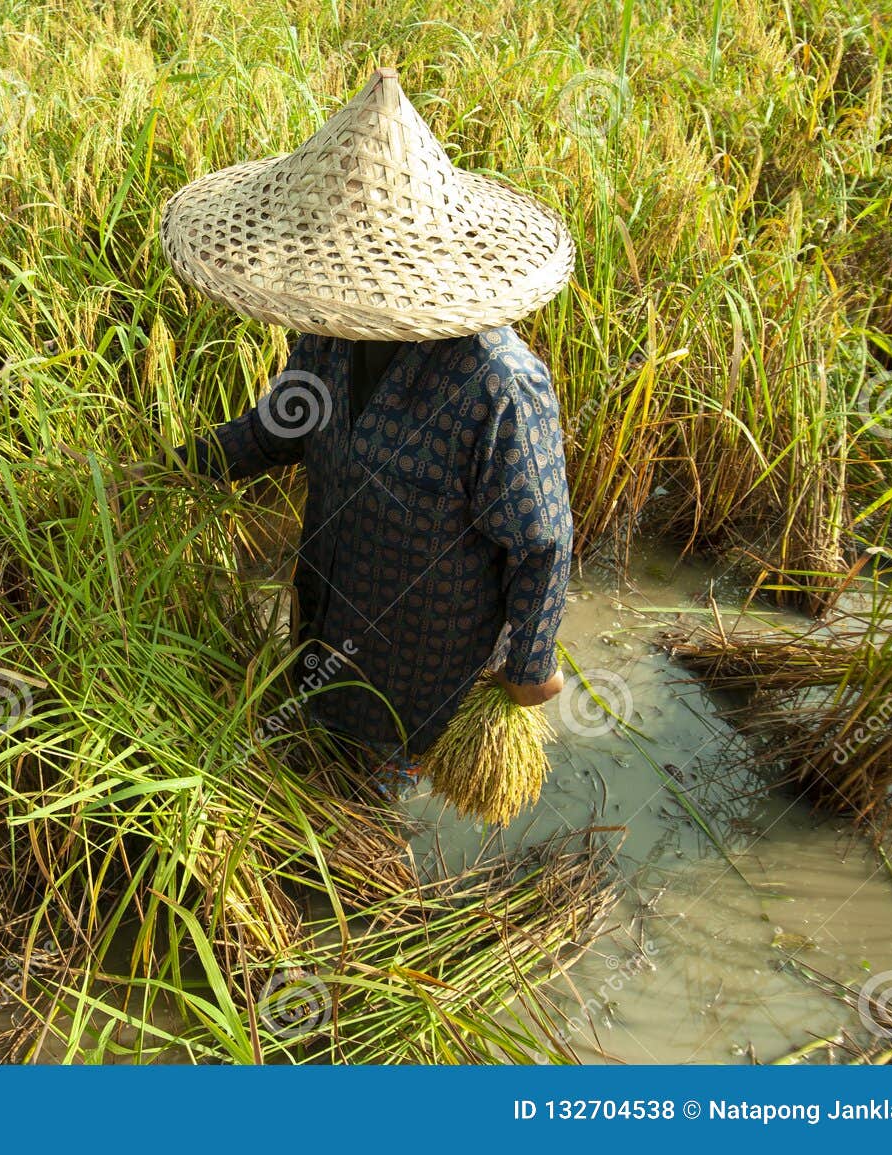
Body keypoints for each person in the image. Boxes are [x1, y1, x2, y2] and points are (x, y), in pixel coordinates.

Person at [133, 67, 575, 798]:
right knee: (317, 753)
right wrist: (173, 467)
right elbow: (278, 428)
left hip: (421, 660)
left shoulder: (498, 384)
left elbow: (541, 542)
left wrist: (530, 668)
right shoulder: (334, 335)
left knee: (370, 801)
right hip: (326, 608)